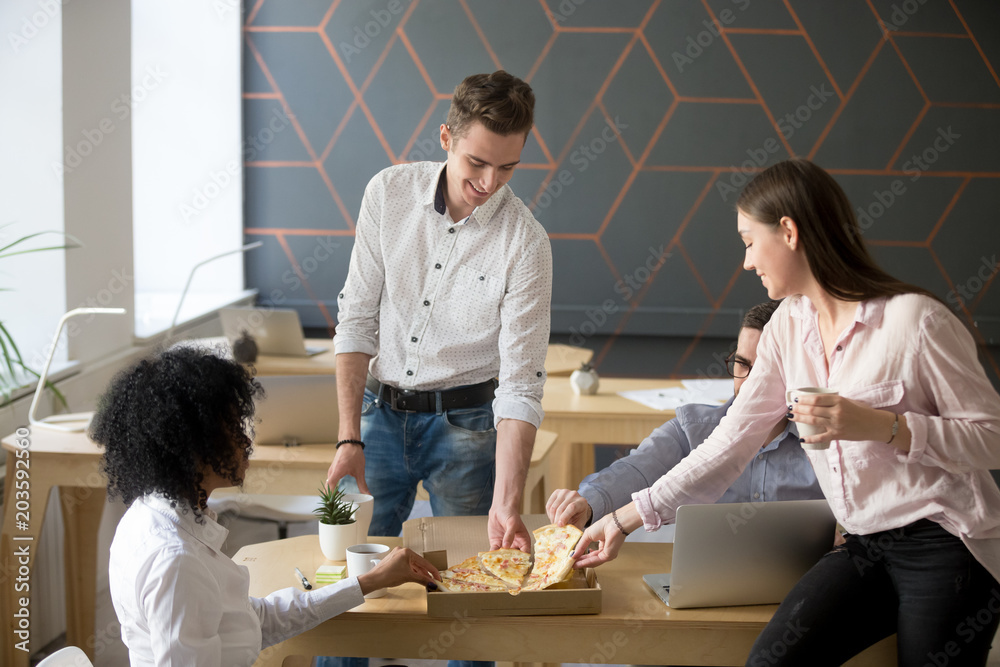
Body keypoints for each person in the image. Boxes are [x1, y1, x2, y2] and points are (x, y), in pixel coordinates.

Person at [572, 158, 1000, 667]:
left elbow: (991, 436)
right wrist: (621, 520)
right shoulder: (787, 328)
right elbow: (729, 443)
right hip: (865, 545)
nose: (747, 262)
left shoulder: (914, 321)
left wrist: (884, 427)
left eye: (749, 242)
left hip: (947, 542)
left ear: (790, 232)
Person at [90, 347, 440, 667]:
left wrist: (367, 582)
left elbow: (254, 618)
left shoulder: (149, 514)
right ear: (192, 446)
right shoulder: (176, 562)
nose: (246, 441)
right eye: (232, 428)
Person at [326, 70, 552, 553]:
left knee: (466, 574)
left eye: (508, 168)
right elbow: (358, 319)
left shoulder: (526, 242)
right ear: (446, 138)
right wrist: (348, 438)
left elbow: (520, 385)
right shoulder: (388, 193)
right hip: (376, 415)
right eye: (477, 162)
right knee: (353, 565)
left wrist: (508, 501)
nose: (490, 182)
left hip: (467, 427)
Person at [546, 299, 823, 530]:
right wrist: (589, 503)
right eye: (741, 364)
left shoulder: (824, 443)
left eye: (763, 370)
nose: (749, 381)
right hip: (702, 586)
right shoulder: (693, 430)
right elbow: (637, 468)